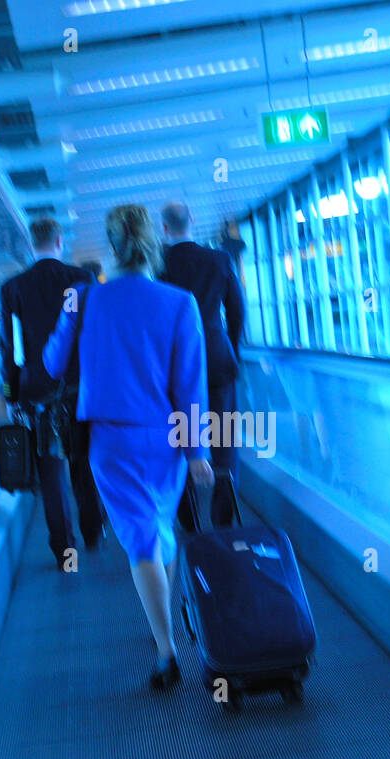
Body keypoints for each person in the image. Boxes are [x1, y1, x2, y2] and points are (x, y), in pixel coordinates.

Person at [44, 204, 213, 690]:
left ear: (112, 248)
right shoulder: (180, 303)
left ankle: (166, 651)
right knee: (158, 528)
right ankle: (166, 622)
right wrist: (199, 451)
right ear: (152, 244)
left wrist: (70, 319)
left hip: (112, 441)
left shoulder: (83, 298)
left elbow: (53, 364)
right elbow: (191, 385)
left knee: (140, 536)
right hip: (167, 442)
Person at [1, 217, 103, 567]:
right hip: (79, 387)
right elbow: (93, 336)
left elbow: (10, 348)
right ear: (60, 241)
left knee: (51, 473)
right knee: (83, 462)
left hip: (37, 393)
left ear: (32, 244)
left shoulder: (13, 288)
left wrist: (11, 392)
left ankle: (64, 550)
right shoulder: (82, 279)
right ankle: (92, 532)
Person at [159, 201, 246, 530]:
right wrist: (231, 348)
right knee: (225, 443)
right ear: (192, 220)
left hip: (175, 363)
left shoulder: (160, 265)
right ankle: (223, 522)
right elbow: (236, 312)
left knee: (181, 439)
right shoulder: (219, 260)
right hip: (217, 360)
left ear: (164, 229)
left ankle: (190, 522)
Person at [218, 218, 247, 288]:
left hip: (231, 244)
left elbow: (242, 245)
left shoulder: (236, 251)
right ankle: (225, 225)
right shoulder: (234, 256)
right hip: (230, 245)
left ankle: (226, 225)